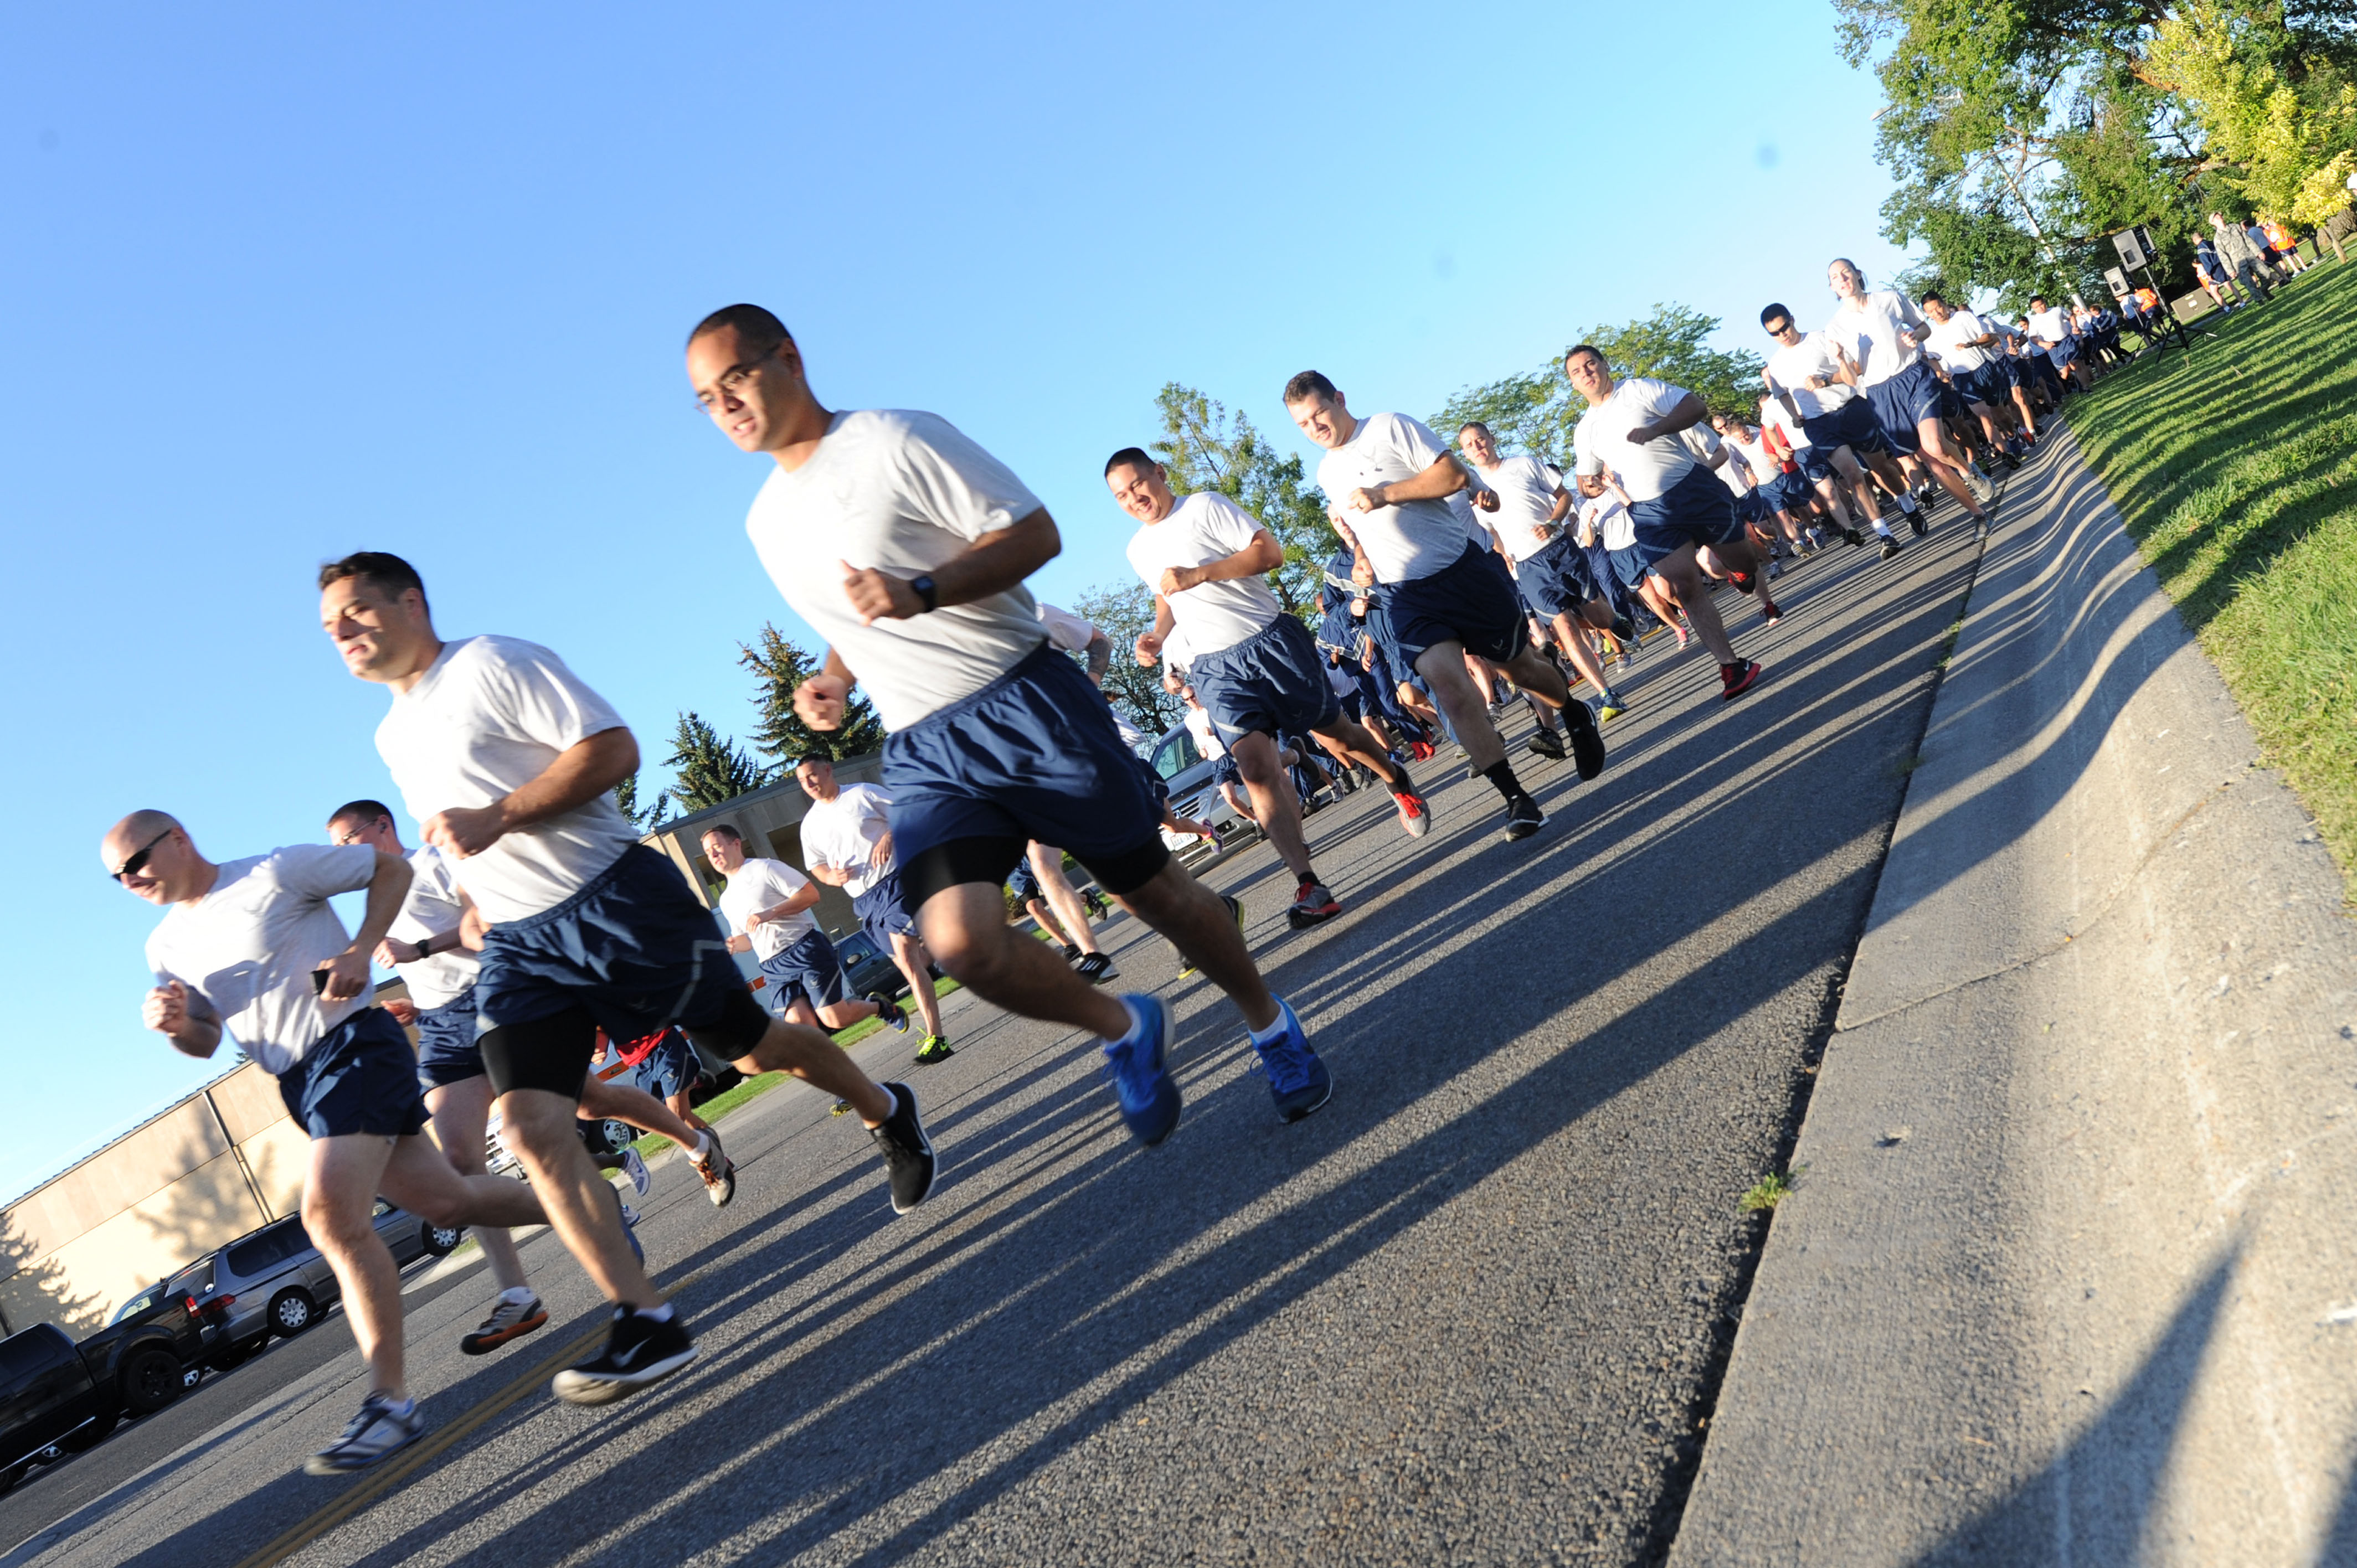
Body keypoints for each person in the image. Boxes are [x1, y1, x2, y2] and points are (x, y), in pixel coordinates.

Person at [688, 302, 1333, 1134]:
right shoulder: (764, 523)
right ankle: (1126, 1027)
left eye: (737, 377)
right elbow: (850, 612)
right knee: (958, 942)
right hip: (924, 746)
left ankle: (1269, 1024)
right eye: (708, 398)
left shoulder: (894, 439)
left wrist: (922, 592)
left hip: (1023, 696)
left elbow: (1034, 535)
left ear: (789, 357)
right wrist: (833, 676)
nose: (727, 404)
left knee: (1158, 896)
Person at [323, 550, 938, 1410]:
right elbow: (457, 831)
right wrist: (473, 900)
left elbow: (614, 750)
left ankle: (886, 1110)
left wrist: (500, 815)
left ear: (411, 602)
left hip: (616, 901)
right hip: (522, 945)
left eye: (355, 611)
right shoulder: (392, 733)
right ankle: (644, 1317)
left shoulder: (494, 662)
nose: (341, 633)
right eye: (329, 626)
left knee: (752, 1050)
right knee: (531, 1124)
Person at [109, 811, 554, 1472]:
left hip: (352, 1047)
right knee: (449, 1202)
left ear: (177, 839)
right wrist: (177, 1025)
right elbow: (203, 1040)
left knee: (330, 1220)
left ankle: (389, 1403)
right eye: (116, 876)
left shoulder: (275, 871)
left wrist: (359, 949)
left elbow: (392, 868)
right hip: (296, 1080)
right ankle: (579, 1205)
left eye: (135, 861)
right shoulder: (164, 947)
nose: (129, 879)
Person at [1111, 446, 1431, 926]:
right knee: (1255, 768)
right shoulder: (1138, 549)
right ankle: (1309, 883)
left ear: (1159, 473)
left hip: (1269, 642)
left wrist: (1200, 574)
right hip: (1215, 668)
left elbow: (1270, 553)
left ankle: (1396, 779)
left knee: (1335, 733)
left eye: (1138, 483)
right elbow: (1167, 595)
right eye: (1121, 495)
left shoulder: (1205, 507)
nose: (1134, 497)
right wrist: (1157, 635)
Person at [1282, 371, 1603, 843]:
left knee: (1518, 669)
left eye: (1319, 413)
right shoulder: (1326, 473)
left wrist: (1385, 493)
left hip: (1460, 571)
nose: (1315, 427)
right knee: (1449, 690)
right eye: (1303, 424)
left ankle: (1575, 713)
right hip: (1406, 594)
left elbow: (1452, 475)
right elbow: (1361, 527)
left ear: (1340, 399)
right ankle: (1516, 799)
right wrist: (1363, 563)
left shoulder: (1390, 427)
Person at [1564, 345, 1768, 700]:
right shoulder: (1585, 431)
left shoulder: (1638, 390)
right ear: (1574, 384)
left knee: (1745, 563)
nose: (1586, 372)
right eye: (1577, 371)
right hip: (1649, 512)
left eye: (1590, 363)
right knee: (1683, 586)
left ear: (1605, 365)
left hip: (1692, 488)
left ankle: (1741, 571)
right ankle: (1731, 665)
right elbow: (1586, 481)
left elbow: (1696, 406)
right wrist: (1592, 486)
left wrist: (1658, 429)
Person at [1456, 421, 1632, 716]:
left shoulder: (1524, 464)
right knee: (1564, 629)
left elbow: (1563, 496)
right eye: (1470, 445)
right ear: (1465, 454)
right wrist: (1505, 556)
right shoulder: (1474, 493)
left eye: (1481, 439)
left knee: (1597, 615)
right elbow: (1491, 534)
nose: (1478, 447)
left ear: (1492, 439)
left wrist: (1552, 522)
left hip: (1559, 548)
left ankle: (1615, 621)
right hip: (1528, 567)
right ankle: (1606, 693)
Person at [792, 758, 952, 1063]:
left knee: (907, 958)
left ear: (828, 770)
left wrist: (889, 837)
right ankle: (944, 947)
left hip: (895, 881)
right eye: (802, 780)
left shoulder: (862, 794)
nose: (809, 783)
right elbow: (816, 866)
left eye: (812, 775)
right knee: (911, 964)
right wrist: (831, 878)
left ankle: (937, 1038)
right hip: (864, 900)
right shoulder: (810, 825)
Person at [1824, 259, 1995, 525]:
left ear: (1858, 275)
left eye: (1846, 273)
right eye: (1835, 278)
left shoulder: (1889, 299)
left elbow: (1924, 327)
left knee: (1934, 444)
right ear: (1832, 287)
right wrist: (1842, 360)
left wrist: (1915, 336)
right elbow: (1849, 377)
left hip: (1913, 376)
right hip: (1881, 393)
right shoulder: (1836, 327)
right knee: (1933, 462)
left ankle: (1967, 471)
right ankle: (1978, 513)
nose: (1842, 279)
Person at [702, 823, 908, 1034]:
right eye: (708, 853)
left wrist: (771, 912)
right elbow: (747, 940)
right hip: (773, 966)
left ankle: (880, 1007)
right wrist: (733, 945)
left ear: (736, 844)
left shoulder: (764, 868)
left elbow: (811, 895)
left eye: (717, 847)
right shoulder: (726, 900)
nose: (713, 855)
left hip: (804, 948)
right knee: (799, 1027)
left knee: (835, 1019)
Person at [1760, 303, 1913, 558]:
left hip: (1850, 408)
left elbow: (1852, 372)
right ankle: (1884, 534)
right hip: (1819, 423)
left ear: (1792, 320)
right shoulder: (1775, 365)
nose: (1782, 335)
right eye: (1775, 333)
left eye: (1784, 327)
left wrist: (1825, 381)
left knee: (1880, 467)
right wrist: (1794, 415)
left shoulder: (1821, 339)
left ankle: (1907, 503)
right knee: (1853, 476)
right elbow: (1782, 395)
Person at [2024, 296, 2093, 396]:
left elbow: (2071, 316)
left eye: (2041, 305)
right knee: (2064, 375)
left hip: (2066, 340)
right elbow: (2033, 338)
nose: (2040, 308)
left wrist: (2074, 327)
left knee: (2076, 364)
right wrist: (2043, 344)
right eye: (2037, 307)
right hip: (2053, 347)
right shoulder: (2035, 321)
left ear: (2044, 302)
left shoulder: (2057, 310)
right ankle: (2074, 379)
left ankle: (2087, 388)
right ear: (2033, 309)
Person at [2209, 212, 2276, 306]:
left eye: (2219, 215)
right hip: (2238, 262)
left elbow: (2248, 240)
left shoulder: (2235, 227)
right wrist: (2230, 270)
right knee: (2248, 283)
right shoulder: (2218, 239)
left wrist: (2258, 252)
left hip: (2249, 255)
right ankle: (2259, 300)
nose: (2219, 217)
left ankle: (2264, 290)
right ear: (2213, 222)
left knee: (2266, 273)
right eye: (2216, 217)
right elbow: (2223, 256)